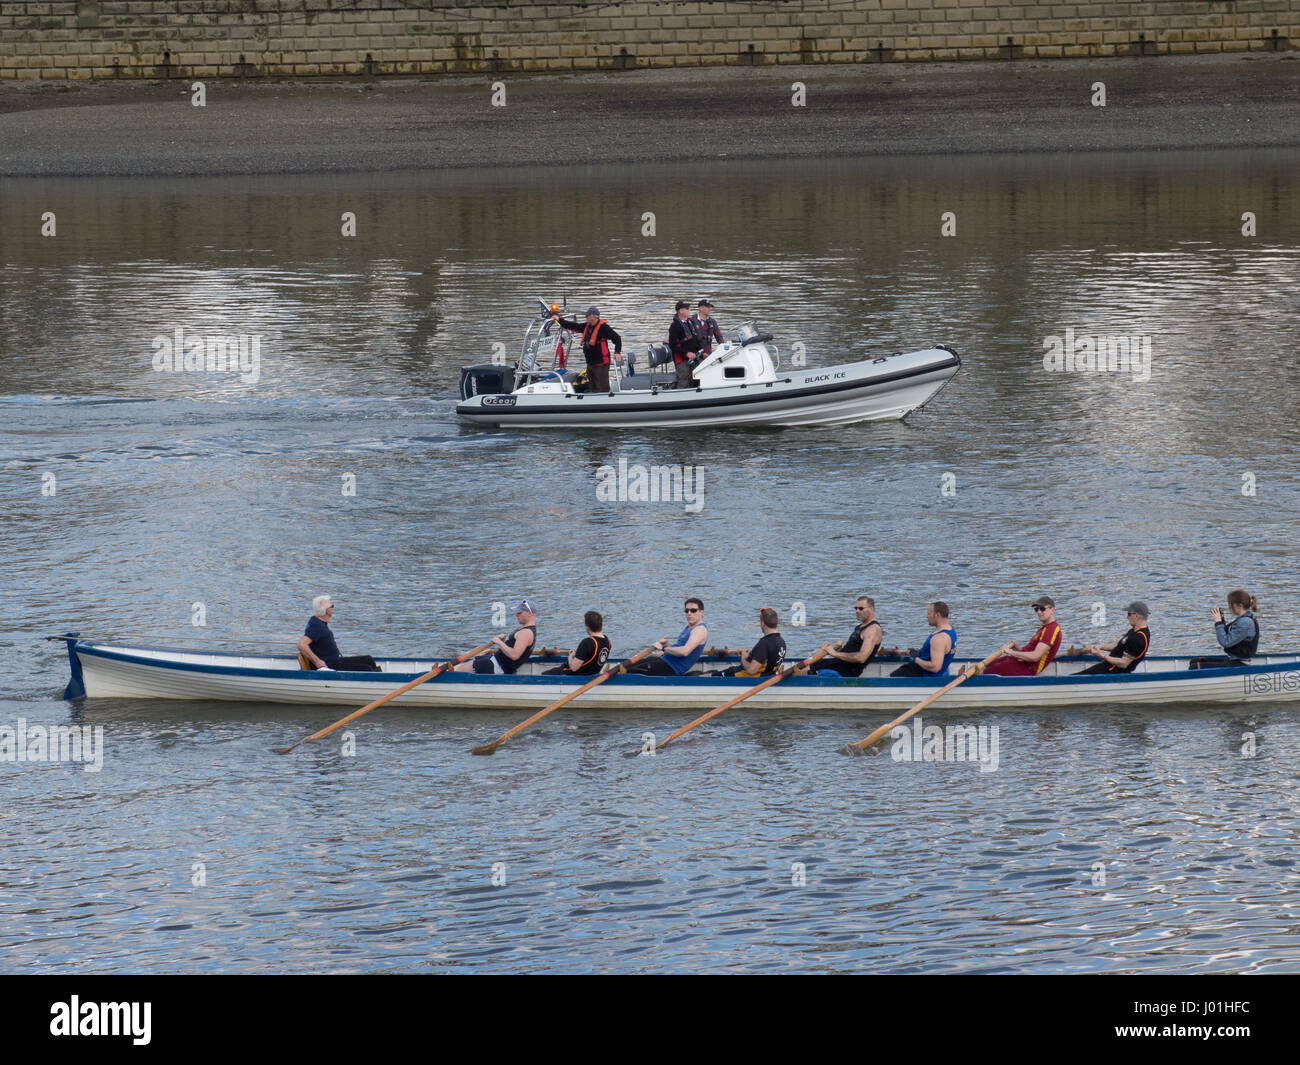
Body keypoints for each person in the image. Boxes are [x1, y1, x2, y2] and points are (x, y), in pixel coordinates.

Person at [624, 597, 709, 676]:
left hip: (671, 667)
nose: (689, 613)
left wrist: (664, 649)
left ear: (701, 612)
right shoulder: (689, 627)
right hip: (664, 661)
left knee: (629, 672)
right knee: (628, 667)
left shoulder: (699, 630)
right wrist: (667, 645)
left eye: (693, 610)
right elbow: (678, 648)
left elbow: (684, 652)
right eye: (687, 611)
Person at [297, 595, 380, 672]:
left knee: (368, 659)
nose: (333, 608)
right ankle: (380, 684)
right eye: (332, 606)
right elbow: (302, 644)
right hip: (329, 665)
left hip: (336, 661)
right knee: (366, 668)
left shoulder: (319, 622)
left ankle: (382, 681)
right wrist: (317, 661)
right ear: (326, 610)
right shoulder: (316, 626)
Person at [985, 596, 1063, 676]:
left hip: (1026, 670)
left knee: (986, 672)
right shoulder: (1044, 628)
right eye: (1036, 609)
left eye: (1042, 609)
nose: (1039, 612)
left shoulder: (1051, 630)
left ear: (1052, 610)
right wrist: (1017, 649)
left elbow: (1035, 656)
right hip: (1019, 663)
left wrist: (1011, 652)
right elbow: (1030, 653)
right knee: (988, 665)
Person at [455, 599, 537, 675]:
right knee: (462, 666)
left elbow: (514, 655)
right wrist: (503, 642)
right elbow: (513, 649)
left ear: (530, 613)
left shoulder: (526, 633)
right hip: (496, 660)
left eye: (520, 613)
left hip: (498, 667)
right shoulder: (528, 630)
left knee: (459, 670)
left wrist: (499, 642)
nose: (516, 615)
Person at [552, 306, 622, 393]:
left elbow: (617, 338)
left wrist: (617, 352)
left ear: (594, 316)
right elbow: (573, 326)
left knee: (602, 388)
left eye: (588, 315)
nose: (586, 317)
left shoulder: (604, 328)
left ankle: (604, 402)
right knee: (592, 387)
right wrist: (559, 319)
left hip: (601, 364)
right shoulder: (586, 326)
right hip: (590, 364)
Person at [812, 596, 882, 677]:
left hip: (847, 671)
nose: (857, 611)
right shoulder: (860, 627)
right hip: (839, 664)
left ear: (871, 609)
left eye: (861, 608)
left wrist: (835, 653)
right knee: (810, 665)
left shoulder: (872, 629)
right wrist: (839, 650)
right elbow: (852, 650)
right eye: (856, 608)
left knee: (806, 669)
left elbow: (861, 657)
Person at [1189, 589, 1259, 669]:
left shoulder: (1245, 622)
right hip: (1234, 660)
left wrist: (1218, 623)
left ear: (1240, 605)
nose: (1229, 607)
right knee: (1195, 661)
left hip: (1240, 663)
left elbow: (1225, 642)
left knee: (1195, 667)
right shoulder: (1243, 620)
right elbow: (1229, 634)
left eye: (1231, 604)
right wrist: (1222, 621)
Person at [1079, 601, 1151, 674]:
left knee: (1075, 678)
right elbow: (1119, 644)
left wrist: (1101, 655)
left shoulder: (1138, 638)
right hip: (1107, 666)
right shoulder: (1134, 630)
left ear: (1136, 615)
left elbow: (1124, 663)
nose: (1127, 617)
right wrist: (1099, 647)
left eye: (1129, 614)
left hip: (1113, 672)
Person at [889, 602, 957, 677]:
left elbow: (935, 667)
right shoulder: (951, 631)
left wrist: (915, 659)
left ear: (937, 615)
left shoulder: (939, 638)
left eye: (929, 613)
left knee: (887, 679)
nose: (926, 616)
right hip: (921, 668)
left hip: (923, 673)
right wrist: (917, 652)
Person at [715, 607, 786, 677]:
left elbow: (751, 670)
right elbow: (764, 659)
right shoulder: (782, 642)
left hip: (744, 677)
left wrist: (743, 656)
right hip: (766, 675)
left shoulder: (764, 643)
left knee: (709, 674)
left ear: (763, 623)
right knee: (714, 672)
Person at [542, 611, 612, 676]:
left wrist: (570, 656)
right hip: (591, 674)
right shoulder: (607, 641)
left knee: (543, 675)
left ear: (587, 627)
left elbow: (574, 668)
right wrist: (579, 654)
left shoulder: (587, 643)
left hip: (570, 674)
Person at [667, 300, 702, 389]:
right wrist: (686, 353)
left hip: (693, 358)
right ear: (681, 311)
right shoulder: (675, 326)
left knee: (694, 380)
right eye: (687, 308)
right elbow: (673, 345)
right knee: (683, 381)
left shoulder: (688, 323)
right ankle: (678, 399)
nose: (689, 310)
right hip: (681, 360)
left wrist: (701, 351)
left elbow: (694, 339)